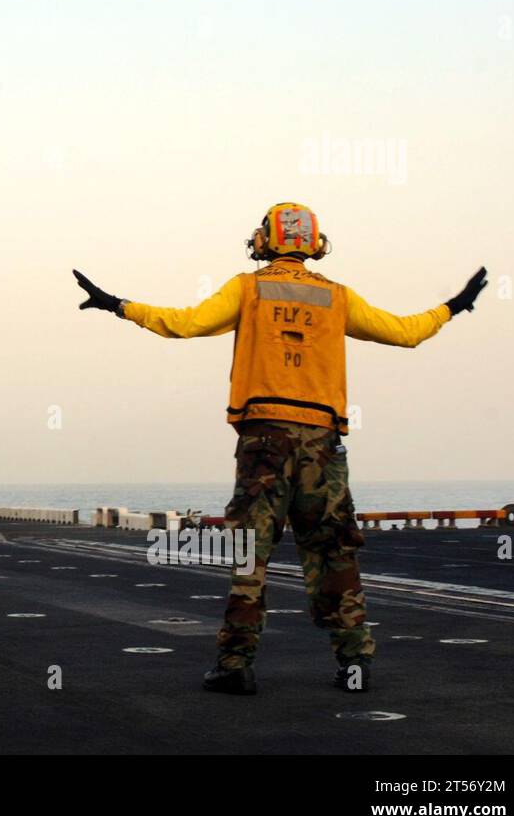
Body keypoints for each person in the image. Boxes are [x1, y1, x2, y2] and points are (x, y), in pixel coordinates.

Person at [73, 202, 487, 695]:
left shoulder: (248, 289)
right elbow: (405, 332)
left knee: (251, 553)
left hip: (264, 441)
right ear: (315, 243)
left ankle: (235, 664)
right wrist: (454, 306)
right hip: (323, 446)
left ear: (265, 240)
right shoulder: (337, 297)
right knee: (335, 554)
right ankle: (354, 664)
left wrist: (118, 304)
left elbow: (185, 323)